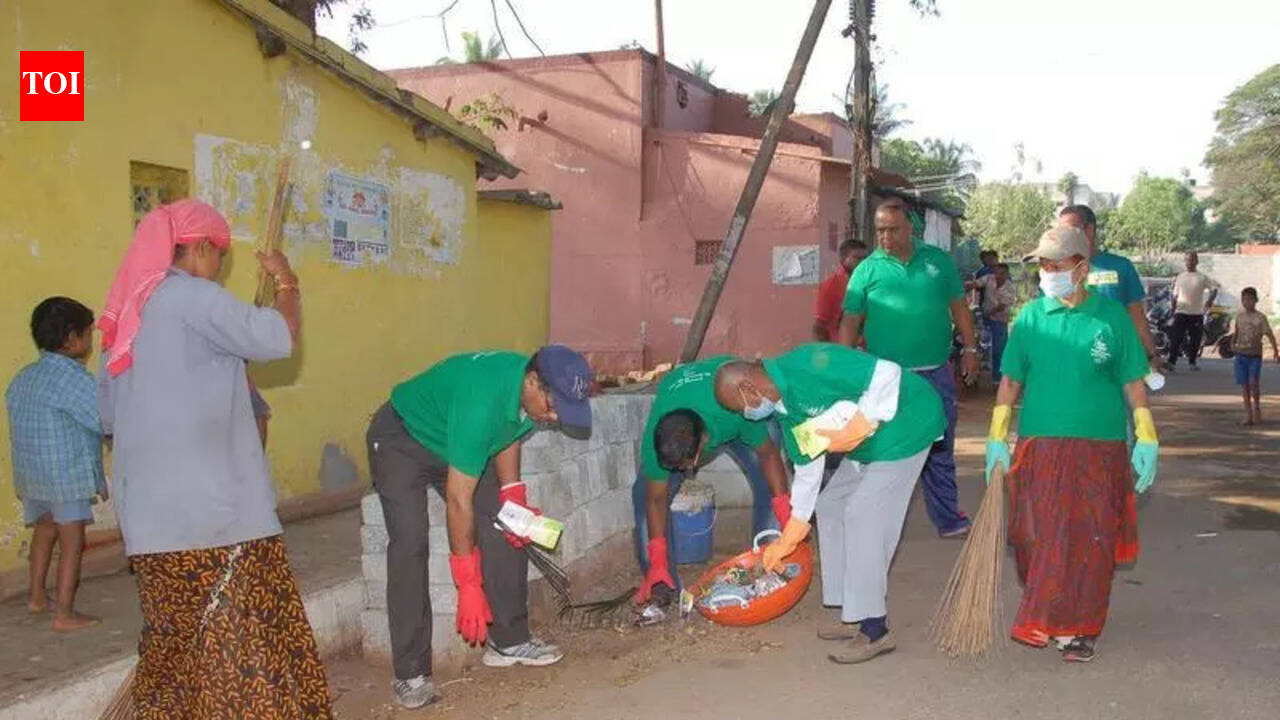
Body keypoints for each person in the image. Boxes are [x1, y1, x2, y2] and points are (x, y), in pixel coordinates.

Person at [97, 199, 330, 718]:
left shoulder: (125, 318)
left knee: (175, 651)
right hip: (216, 519)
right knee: (242, 651)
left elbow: (110, 419)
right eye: (217, 259)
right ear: (199, 248)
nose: (217, 271)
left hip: (151, 525)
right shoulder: (195, 298)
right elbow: (279, 337)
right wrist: (287, 283)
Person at [366, 346, 592, 709]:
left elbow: (508, 432)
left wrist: (512, 494)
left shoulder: (525, 389)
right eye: (552, 406)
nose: (552, 417)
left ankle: (509, 639)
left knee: (506, 520)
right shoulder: (482, 402)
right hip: (401, 439)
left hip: (452, 438)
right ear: (533, 382)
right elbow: (459, 500)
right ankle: (410, 672)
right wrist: (467, 581)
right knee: (410, 542)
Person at [985, 226, 1157, 663]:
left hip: (1099, 445)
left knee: (1090, 538)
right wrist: (996, 436)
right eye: (1041, 264)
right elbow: (1010, 381)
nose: (1046, 272)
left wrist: (1146, 433)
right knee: (1035, 535)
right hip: (1040, 443)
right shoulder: (1031, 318)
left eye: (1055, 264)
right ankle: (1051, 607)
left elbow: (1133, 381)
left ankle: (1078, 627)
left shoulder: (1111, 318)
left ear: (1081, 267)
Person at [713, 344, 944, 664]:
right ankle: (853, 612)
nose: (745, 415)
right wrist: (791, 533)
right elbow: (808, 469)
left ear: (748, 388)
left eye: (739, 408)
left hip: (909, 424)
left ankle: (876, 629)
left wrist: (864, 418)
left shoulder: (809, 363)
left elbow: (888, 372)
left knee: (863, 513)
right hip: (872, 444)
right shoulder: (786, 412)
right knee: (831, 505)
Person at [839, 198, 977, 538]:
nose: (885, 237)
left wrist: (971, 348)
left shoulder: (937, 261)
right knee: (883, 447)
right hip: (887, 379)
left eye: (892, 230)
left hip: (934, 374)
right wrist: (843, 369)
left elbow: (959, 307)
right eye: (880, 230)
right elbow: (850, 322)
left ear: (910, 228)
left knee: (939, 445)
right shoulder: (866, 270)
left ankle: (948, 519)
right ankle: (876, 519)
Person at [632, 356, 791, 603]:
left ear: (699, 453)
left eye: (685, 466)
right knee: (644, 494)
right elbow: (655, 500)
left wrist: (784, 510)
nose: (681, 472)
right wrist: (658, 556)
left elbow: (768, 455)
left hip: (729, 405)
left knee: (770, 481)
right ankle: (660, 580)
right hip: (685, 400)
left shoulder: (737, 410)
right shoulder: (659, 441)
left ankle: (773, 560)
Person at [5, 297, 104, 632]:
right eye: (88, 334)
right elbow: (101, 420)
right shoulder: (74, 380)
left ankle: (36, 596)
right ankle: (64, 612)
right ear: (72, 339)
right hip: (66, 475)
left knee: (44, 530)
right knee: (72, 541)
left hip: (33, 475)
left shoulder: (23, 377)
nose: (90, 342)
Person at [1058, 205, 1161, 371]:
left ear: (1090, 230)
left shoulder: (1120, 267)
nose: (1063, 237)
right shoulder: (1056, 271)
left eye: (1070, 230)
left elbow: (1136, 314)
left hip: (1114, 359)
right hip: (1071, 357)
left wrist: (1151, 354)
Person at [1229, 287, 1279, 425]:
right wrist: (1232, 344)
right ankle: (1248, 414)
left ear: (1255, 300)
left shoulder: (1260, 318)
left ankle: (1257, 407)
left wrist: (1276, 351)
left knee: (1253, 383)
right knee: (1244, 385)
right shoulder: (1239, 316)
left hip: (1255, 356)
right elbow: (1236, 333)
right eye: (1244, 300)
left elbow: (1269, 335)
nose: (1247, 302)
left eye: (1250, 299)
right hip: (1240, 356)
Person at [1168, 251, 1219, 371]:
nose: (1189, 262)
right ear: (1185, 262)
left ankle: (1192, 362)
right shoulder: (1180, 277)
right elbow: (1175, 295)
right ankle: (1171, 362)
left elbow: (1214, 289)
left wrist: (1209, 301)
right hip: (1181, 312)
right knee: (1176, 338)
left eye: (1192, 260)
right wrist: (1173, 310)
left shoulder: (1202, 277)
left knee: (1195, 339)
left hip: (1196, 313)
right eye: (1187, 260)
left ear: (1196, 261)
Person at [813, 239, 869, 342]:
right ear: (843, 259)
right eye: (857, 258)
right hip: (841, 349)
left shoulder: (870, 282)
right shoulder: (832, 285)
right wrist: (827, 353)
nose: (862, 263)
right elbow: (820, 326)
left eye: (865, 259)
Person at [980, 263, 1017, 384]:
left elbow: (1001, 307)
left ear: (1007, 274)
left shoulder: (1010, 288)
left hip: (999, 320)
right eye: (996, 273)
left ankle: (998, 377)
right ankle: (992, 371)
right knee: (985, 344)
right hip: (987, 318)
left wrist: (987, 313)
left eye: (1001, 273)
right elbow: (976, 283)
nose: (998, 276)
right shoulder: (989, 278)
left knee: (998, 349)